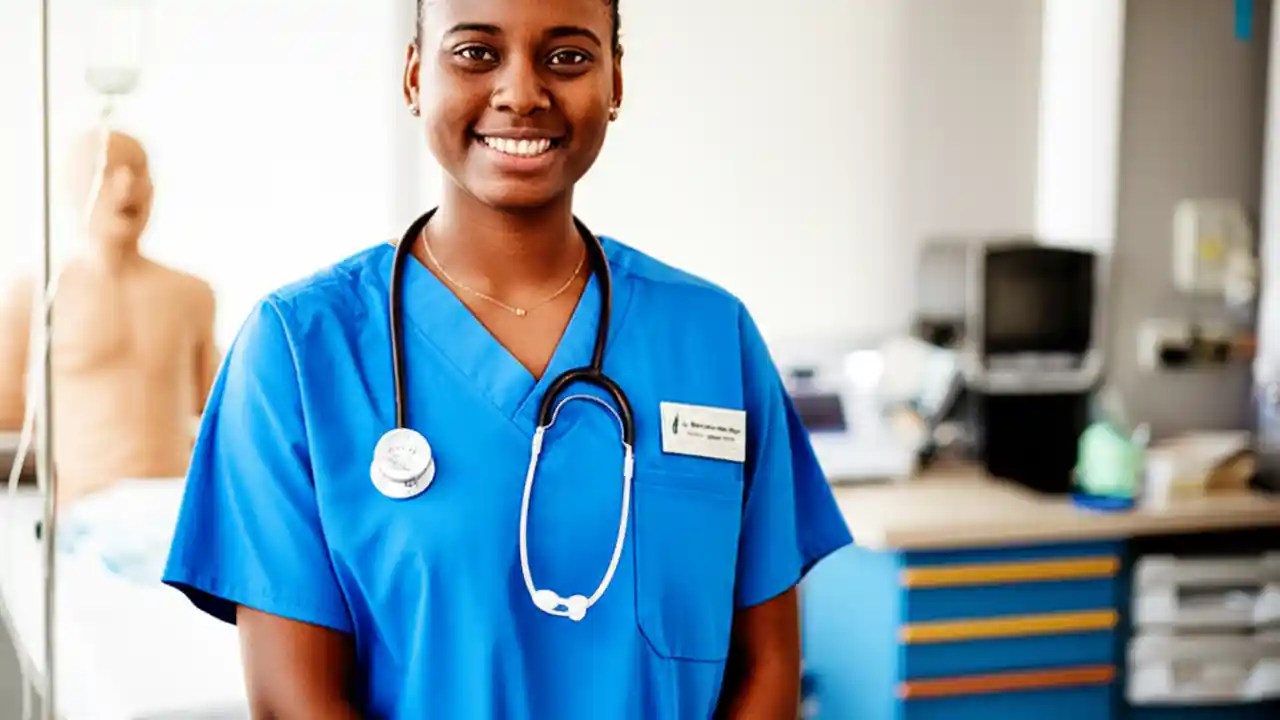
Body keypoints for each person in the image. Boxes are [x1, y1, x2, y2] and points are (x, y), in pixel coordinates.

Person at [162, 0, 852, 717]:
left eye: (568, 57)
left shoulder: (712, 337)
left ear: (615, 82)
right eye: (475, 54)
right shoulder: (299, 351)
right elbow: (292, 700)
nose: (522, 94)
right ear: (413, 78)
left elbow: (769, 666)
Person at [0, 129, 219, 506]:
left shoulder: (192, 295)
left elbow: (215, 409)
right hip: (87, 509)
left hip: (173, 504)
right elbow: (7, 409)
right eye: (109, 169)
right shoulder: (37, 293)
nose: (127, 184)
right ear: (74, 187)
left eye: (138, 169)